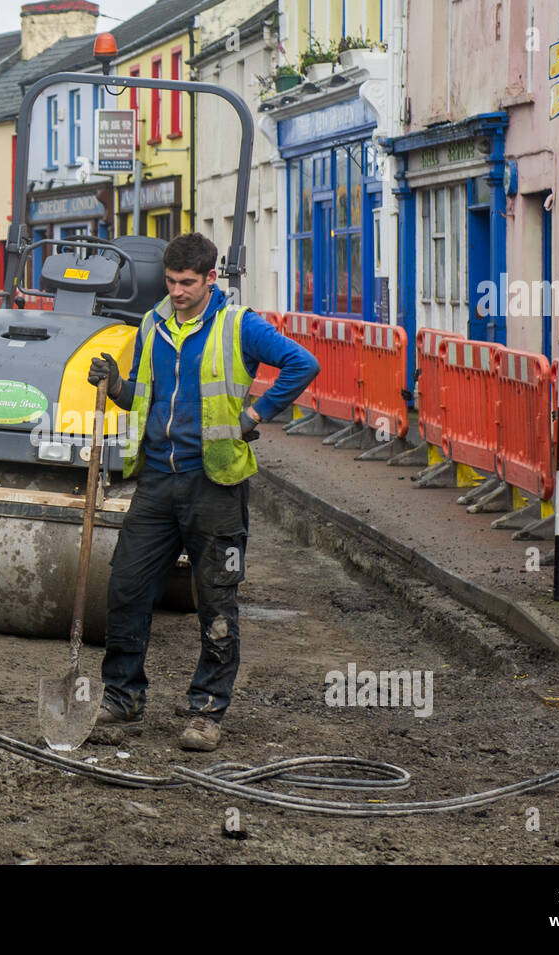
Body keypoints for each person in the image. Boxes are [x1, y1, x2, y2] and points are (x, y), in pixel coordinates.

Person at [87, 233, 319, 752]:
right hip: (157, 482)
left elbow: (303, 364)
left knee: (215, 602)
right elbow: (143, 397)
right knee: (125, 588)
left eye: (187, 283)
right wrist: (114, 384)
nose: (177, 292)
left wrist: (256, 415)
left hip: (215, 485)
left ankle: (207, 711)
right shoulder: (153, 323)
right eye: (170, 282)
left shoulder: (238, 325)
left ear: (211, 279)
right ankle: (122, 698)